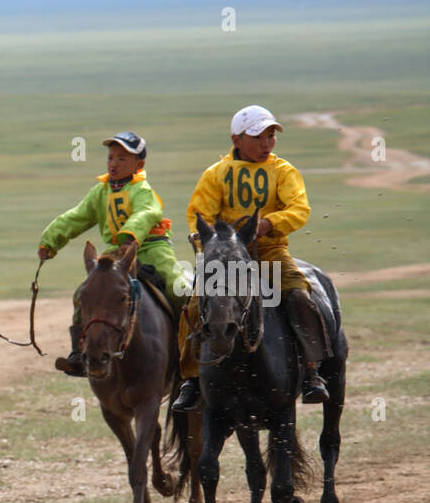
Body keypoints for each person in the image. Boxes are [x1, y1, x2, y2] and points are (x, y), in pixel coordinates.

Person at [173, 105, 329, 410]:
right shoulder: (216, 174)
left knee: (299, 295)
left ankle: (312, 372)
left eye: (271, 136)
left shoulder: (283, 171)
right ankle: (191, 379)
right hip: (225, 257)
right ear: (236, 138)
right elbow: (199, 214)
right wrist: (211, 239)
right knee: (193, 305)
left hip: (269, 251)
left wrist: (270, 223)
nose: (266, 143)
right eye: (258, 136)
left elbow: (300, 209)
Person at [37, 132, 184, 376]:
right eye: (111, 158)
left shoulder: (142, 190)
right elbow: (77, 217)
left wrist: (129, 236)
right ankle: (78, 353)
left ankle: (186, 354)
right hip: (117, 253)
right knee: (82, 294)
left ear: (139, 165)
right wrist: (50, 240)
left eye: (122, 159)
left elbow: (146, 214)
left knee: (180, 289)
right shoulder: (101, 192)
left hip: (153, 248)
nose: (114, 163)